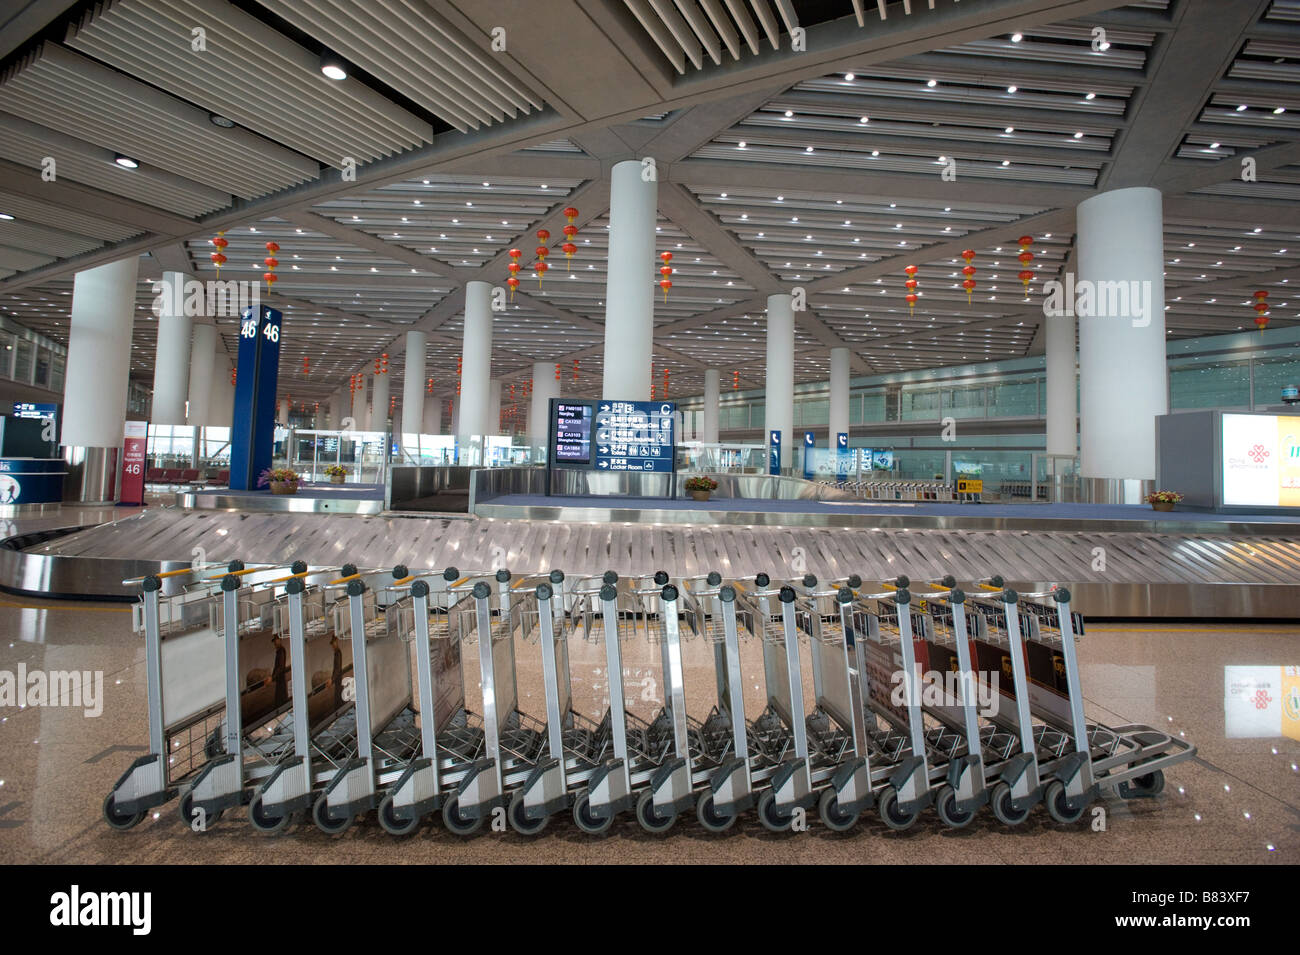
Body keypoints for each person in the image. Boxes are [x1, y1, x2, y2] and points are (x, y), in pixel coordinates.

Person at [271, 634, 288, 708]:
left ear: (280, 640)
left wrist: (272, 677)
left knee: (280, 697)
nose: (275, 643)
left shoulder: (281, 651)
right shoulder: (279, 651)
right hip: (279, 679)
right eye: (274, 641)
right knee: (281, 697)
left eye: (276, 640)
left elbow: (280, 667)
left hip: (280, 679)